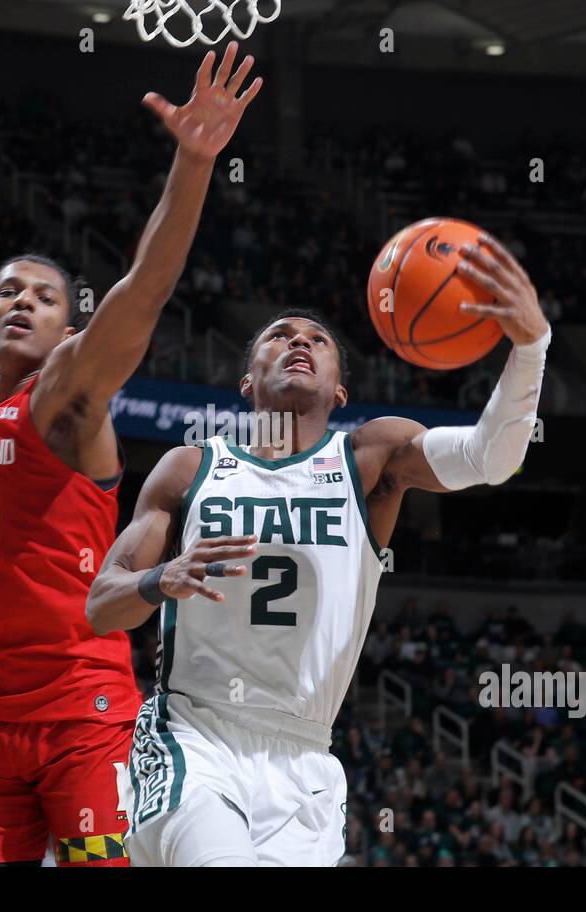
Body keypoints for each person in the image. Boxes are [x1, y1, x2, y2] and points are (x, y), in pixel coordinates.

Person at [0, 44, 262, 868]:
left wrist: (194, 160)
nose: (22, 300)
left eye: (45, 295)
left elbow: (144, 288)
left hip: (82, 707)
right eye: (8, 291)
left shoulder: (63, 398)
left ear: (70, 332)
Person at [87, 234, 549, 865]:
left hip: (303, 755)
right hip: (193, 735)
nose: (299, 341)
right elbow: (100, 607)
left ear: (339, 393)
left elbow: (488, 458)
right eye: (279, 335)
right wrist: (160, 578)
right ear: (247, 381)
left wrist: (530, 347)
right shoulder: (190, 468)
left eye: (317, 339)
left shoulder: (372, 457)